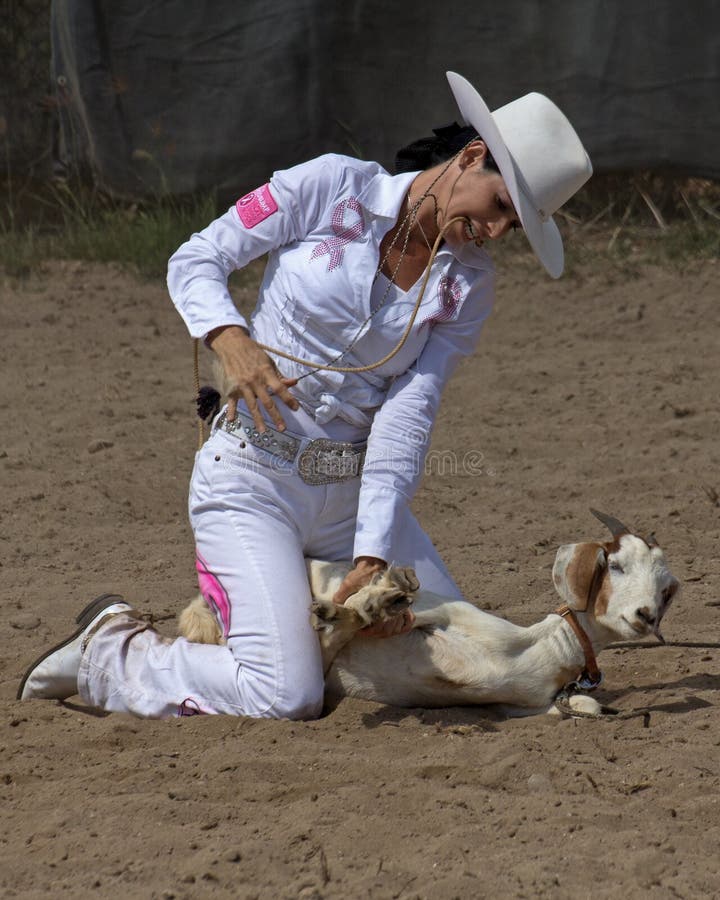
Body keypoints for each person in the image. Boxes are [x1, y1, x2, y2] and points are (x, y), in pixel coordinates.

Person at [18, 72, 592, 719]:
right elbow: (196, 258)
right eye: (498, 204)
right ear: (469, 156)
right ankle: (110, 655)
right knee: (286, 696)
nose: (493, 231)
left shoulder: (468, 287)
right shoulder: (331, 186)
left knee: (464, 655)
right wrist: (230, 337)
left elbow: (409, 414)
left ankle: (314, 633)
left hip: (350, 503)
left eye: (512, 224)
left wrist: (373, 552)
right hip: (250, 481)